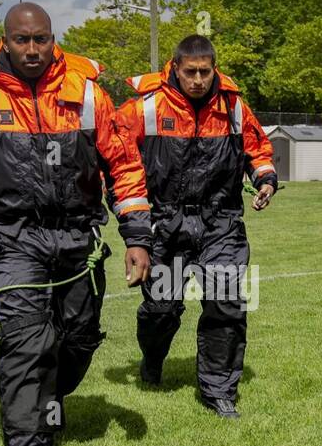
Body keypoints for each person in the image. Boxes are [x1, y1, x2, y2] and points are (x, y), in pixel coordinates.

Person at [0, 3, 152, 446]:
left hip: (78, 238)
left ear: (55, 40)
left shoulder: (89, 96)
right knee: (27, 346)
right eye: (21, 40)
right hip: (11, 241)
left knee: (78, 339)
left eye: (41, 39)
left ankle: (41, 399)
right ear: (3, 43)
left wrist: (138, 237)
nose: (32, 49)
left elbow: (125, 167)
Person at [115, 34, 277, 418]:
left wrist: (266, 179)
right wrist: (134, 220)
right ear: (175, 67)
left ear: (214, 69)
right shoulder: (144, 109)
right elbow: (118, 162)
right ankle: (152, 357)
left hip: (220, 221)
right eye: (191, 72)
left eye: (206, 71)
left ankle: (219, 391)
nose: (199, 79)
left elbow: (257, 149)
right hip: (165, 224)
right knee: (161, 309)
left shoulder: (233, 107)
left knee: (226, 304)